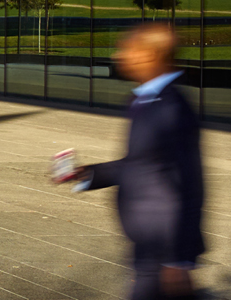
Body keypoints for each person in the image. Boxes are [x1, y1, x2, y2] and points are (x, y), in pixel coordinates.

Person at [67, 24, 205, 299]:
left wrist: (179, 259)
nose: (121, 56)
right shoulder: (145, 100)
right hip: (148, 242)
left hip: (163, 245)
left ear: (150, 55)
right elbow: (141, 163)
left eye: (128, 50)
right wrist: (89, 174)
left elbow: (190, 183)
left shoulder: (171, 107)